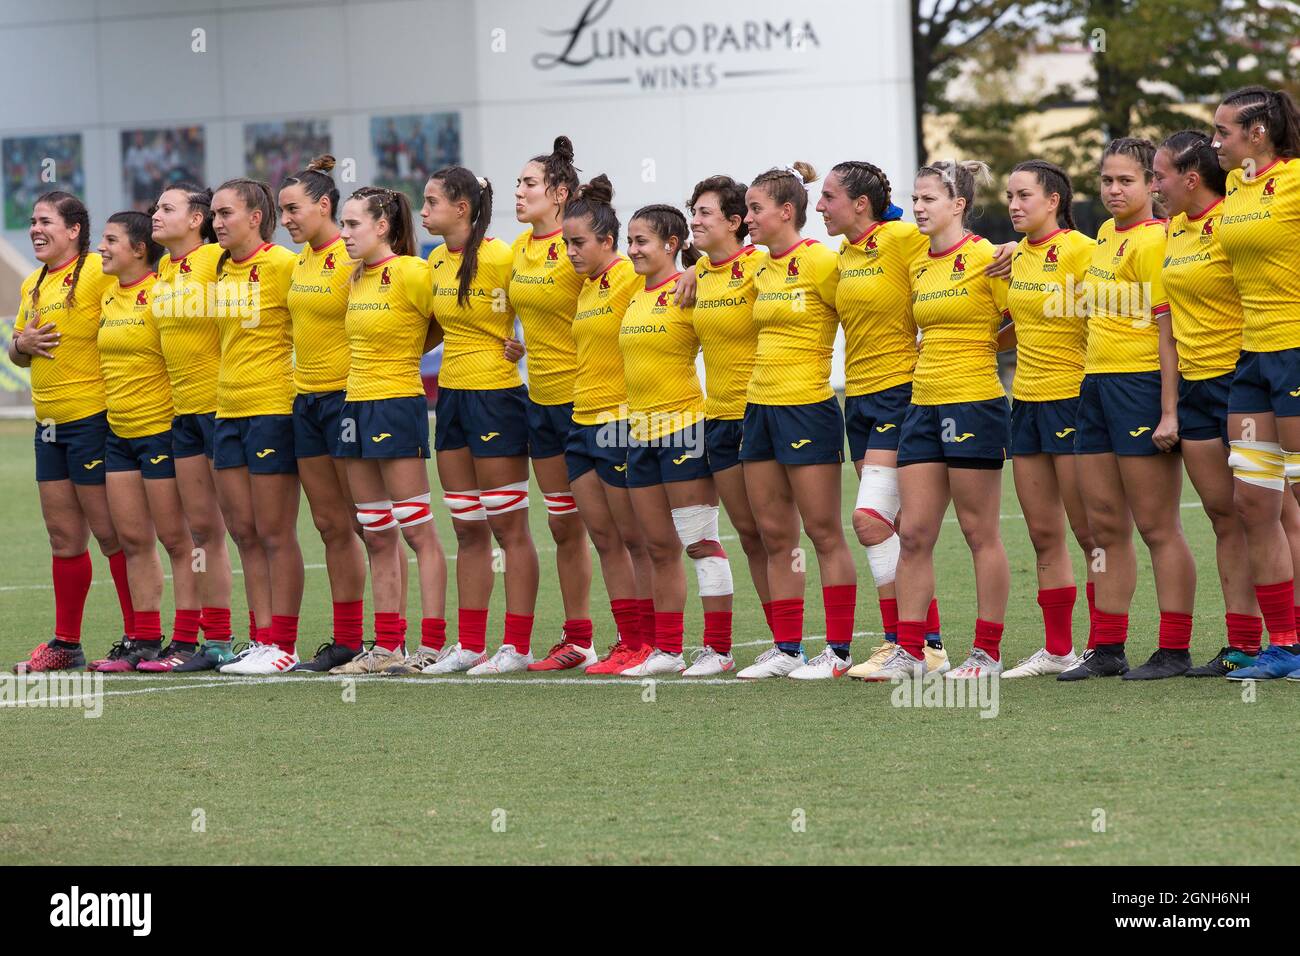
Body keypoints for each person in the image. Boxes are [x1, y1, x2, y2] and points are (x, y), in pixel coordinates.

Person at [862, 160, 1013, 681]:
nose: (918, 208)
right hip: (921, 406)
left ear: (959, 205)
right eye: (916, 198)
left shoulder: (988, 258)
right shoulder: (919, 262)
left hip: (974, 403)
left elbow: (1019, 320)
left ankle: (986, 653)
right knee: (914, 534)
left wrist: (980, 346)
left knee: (979, 533)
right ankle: (911, 653)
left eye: (929, 199)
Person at [1057, 138, 1198, 681]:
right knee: (1104, 525)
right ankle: (1108, 648)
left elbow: (1170, 333)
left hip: (1142, 386)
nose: (1114, 191)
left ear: (1151, 184)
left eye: (1127, 181)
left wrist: (1169, 411)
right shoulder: (1102, 237)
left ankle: (1174, 649)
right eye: (1107, 181)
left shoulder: (1157, 240)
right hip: (1095, 387)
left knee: (1157, 526)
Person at [815, 161, 952, 679]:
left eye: (829, 197)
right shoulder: (846, 253)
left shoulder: (899, 236)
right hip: (860, 399)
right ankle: (921, 643)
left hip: (903, 393)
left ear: (860, 204)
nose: (819, 206)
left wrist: (1006, 251)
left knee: (869, 521)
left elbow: (953, 244)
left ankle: (914, 645)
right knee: (886, 525)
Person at [731, 163, 858, 680]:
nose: (747, 218)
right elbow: (716, 259)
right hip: (757, 410)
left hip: (808, 406)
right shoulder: (758, 267)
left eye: (756, 209)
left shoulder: (824, 263)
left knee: (824, 532)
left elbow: (867, 310)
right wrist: (694, 268)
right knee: (774, 534)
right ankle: (787, 649)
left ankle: (839, 651)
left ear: (787, 212)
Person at [421, 166, 542, 674]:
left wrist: (524, 346)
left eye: (431, 202)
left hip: (497, 400)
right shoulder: (433, 262)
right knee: (467, 528)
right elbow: (426, 330)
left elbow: (541, 308)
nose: (423, 212)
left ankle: (517, 645)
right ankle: (470, 644)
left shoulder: (502, 256)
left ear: (462, 208)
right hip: (449, 401)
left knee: (508, 527)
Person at [9, 192, 133, 673]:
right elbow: (19, 351)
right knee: (63, 537)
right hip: (48, 426)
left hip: (92, 421)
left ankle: (136, 636)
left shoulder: (101, 273)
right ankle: (66, 643)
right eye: (33, 221)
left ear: (74, 229)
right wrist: (22, 342)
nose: (35, 229)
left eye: (45, 221)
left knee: (110, 534)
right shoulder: (34, 283)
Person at [329, 187, 449, 674]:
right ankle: (387, 648)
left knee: (418, 531)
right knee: (376, 534)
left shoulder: (412, 272)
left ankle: (432, 647)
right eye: (342, 224)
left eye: (353, 224)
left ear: (382, 226)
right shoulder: (356, 276)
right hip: (354, 406)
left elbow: (444, 323)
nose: (344, 233)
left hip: (396, 405)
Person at [615, 203, 732, 677]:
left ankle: (719, 649)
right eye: (630, 240)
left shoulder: (692, 289)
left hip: (684, 429)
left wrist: (698, 268)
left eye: (642, 241)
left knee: (700, 543)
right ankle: (667, 650)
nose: (633, 249)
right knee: (657, 547)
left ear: (671, 244)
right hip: (638, 432)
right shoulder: (634, 297)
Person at [998, 160, 1099, 677]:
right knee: (1043, 534)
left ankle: (1103, 646)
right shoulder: (1014, 257)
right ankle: (1057, 648)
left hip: (1073, 402)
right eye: (1009, 196)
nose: (1014, 205)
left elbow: (1110, 317)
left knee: (1090, 533)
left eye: (1024, 195)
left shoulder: (1084, 251)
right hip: (1027, 404)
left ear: (1054, 200)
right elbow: (1023, 321)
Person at [89, 212, 202, 671]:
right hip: (119, 433)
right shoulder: (107, 295)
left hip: (161, 430)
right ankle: (143, 641)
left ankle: (187, 641)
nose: (101, 247)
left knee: (179, 541)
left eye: (111, 240)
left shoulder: (162, 291)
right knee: (133, 540)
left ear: (139, 249)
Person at [1212, 86, 1300, 681]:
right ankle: (1286, 645)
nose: (1215, 141)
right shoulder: (1237, 189)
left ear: (1259, 132)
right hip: (1252, 357)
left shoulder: (1295, 182)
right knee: (1253, 501)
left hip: (1295, 349)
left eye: (1225, 131)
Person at [555, 174, 655, 673]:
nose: (569, 252)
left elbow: (678, 267)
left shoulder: (626, 276)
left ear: (607, 242)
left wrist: (692, 274)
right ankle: (628, 640)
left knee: (635, 538)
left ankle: (649, 642)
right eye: (566, 242)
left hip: (620, 421)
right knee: (604, 538)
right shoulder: (587, 284)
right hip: (581, 420)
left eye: (578, 243)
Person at [207, 178, 306, 674]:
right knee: (243, 531)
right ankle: (261, 638)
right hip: (227, 413)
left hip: (272, 410)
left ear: (254, 217)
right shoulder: (221, 269)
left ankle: (283, 645)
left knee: (274, 532)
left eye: (226, 214)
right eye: (214, 214)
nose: (217, 222)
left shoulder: (285, 265)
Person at [277, 156, 371, 672]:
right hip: (305, 401)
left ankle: (394, 637)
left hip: (348, 399)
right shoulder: (300, 263)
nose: (286, 219)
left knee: (367, 523)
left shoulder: (355, 255)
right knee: (330, 523)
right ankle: (347, 640)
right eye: (282, 211)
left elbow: (416, 315)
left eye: (293, 209)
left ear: (324, 205)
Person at [507, 136, 597, 668]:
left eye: (530, 184)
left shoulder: (580, 243)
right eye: (518, 183)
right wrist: (523, 343)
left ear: (560, 193)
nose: (519, 192)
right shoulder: (519, 249)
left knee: (617, 528)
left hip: (587, 401)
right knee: (563, 524)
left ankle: (651, 641)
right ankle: (578, 640)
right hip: (538, 400)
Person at [145, 183, 237, 671]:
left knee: (243, 530)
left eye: (167, 208)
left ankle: (254, 641)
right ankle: (211, 640)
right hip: (182, 415)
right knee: (202, 531)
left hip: (223, 410)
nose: (155, 215)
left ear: (197, 219)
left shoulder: (217, 261)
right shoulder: (164, 267)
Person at [683, 174, 767, 675]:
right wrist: (693, 268)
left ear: (736, 223)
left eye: (706, 213)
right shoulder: (698, 272)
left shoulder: (760, 264)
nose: (695, 219)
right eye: (693, 211)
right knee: (749, 536)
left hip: (764, 415)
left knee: (780, 536)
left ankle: (805, 646)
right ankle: (739, 647)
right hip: (717, 419)